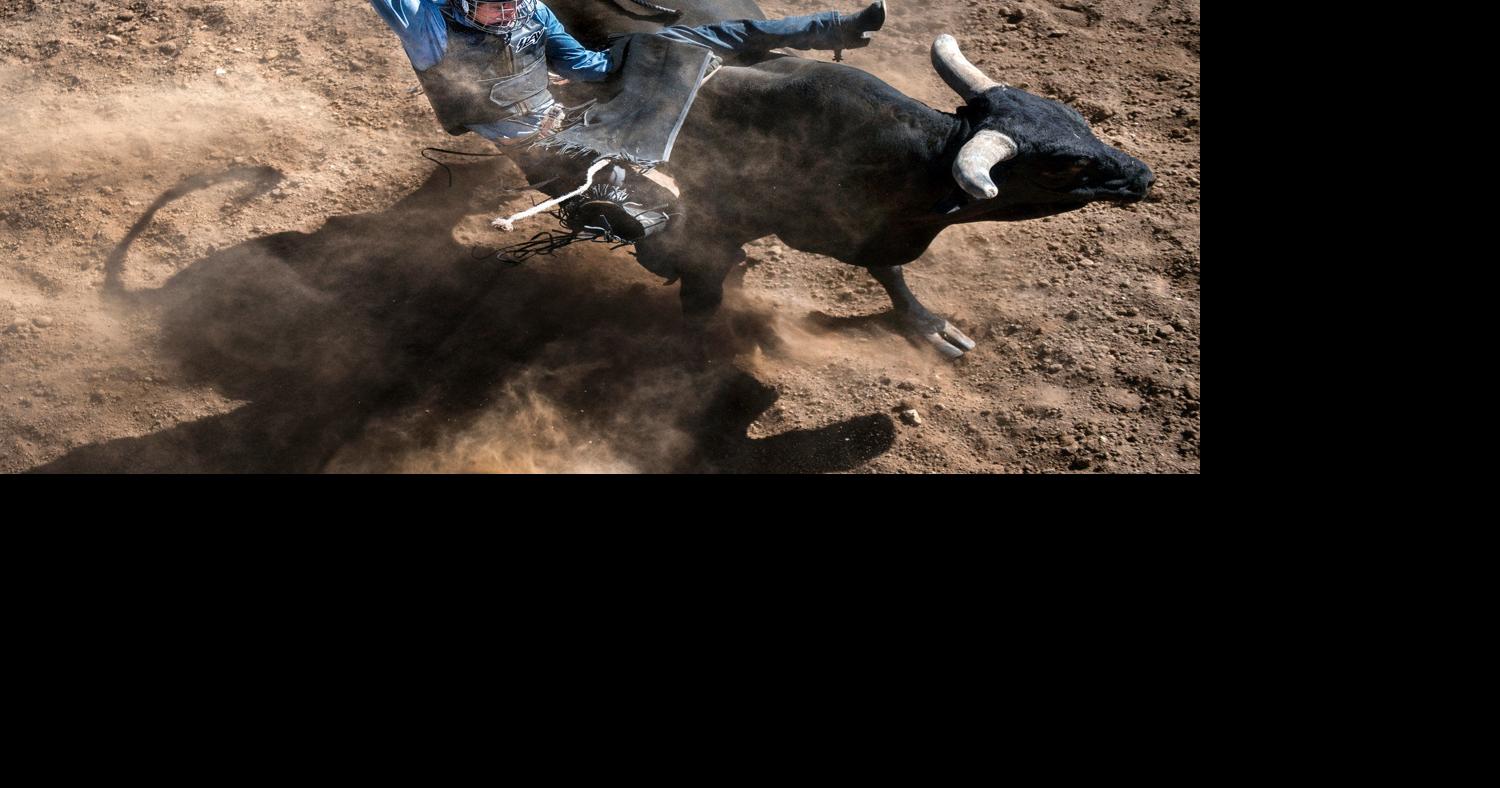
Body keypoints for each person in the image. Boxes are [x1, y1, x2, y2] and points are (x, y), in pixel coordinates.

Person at [369, 0, 888, 147]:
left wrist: (634, 55)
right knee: (633, 207)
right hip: (522, 130)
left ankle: (834, 26)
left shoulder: (530, 11)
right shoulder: (426, 27)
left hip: (563, 104)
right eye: (496, 6)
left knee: (684, 38)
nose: (509, 13)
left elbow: (578, 62)